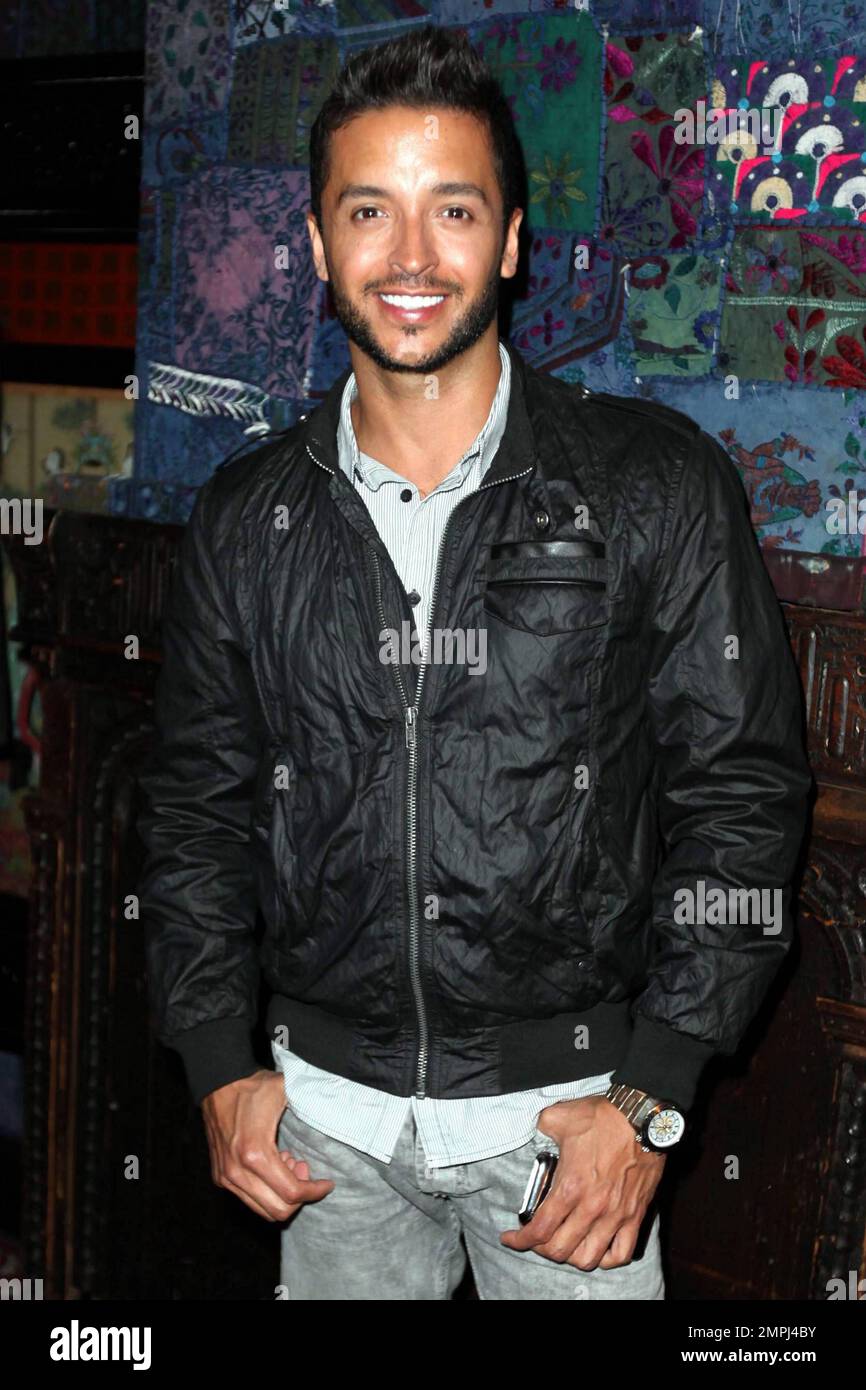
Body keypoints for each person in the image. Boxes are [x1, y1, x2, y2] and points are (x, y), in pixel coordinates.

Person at [138, 25, 812, 1301]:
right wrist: (216, 1061)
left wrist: (654, 1096)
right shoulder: (245, 516)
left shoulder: (651, 484)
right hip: (320, 1127)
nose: (408, 258)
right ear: (322, 242)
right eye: (367, 212)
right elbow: (193, 812)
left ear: (508, 240)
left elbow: (743, 798)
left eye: (451, 210)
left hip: (570, 1128)